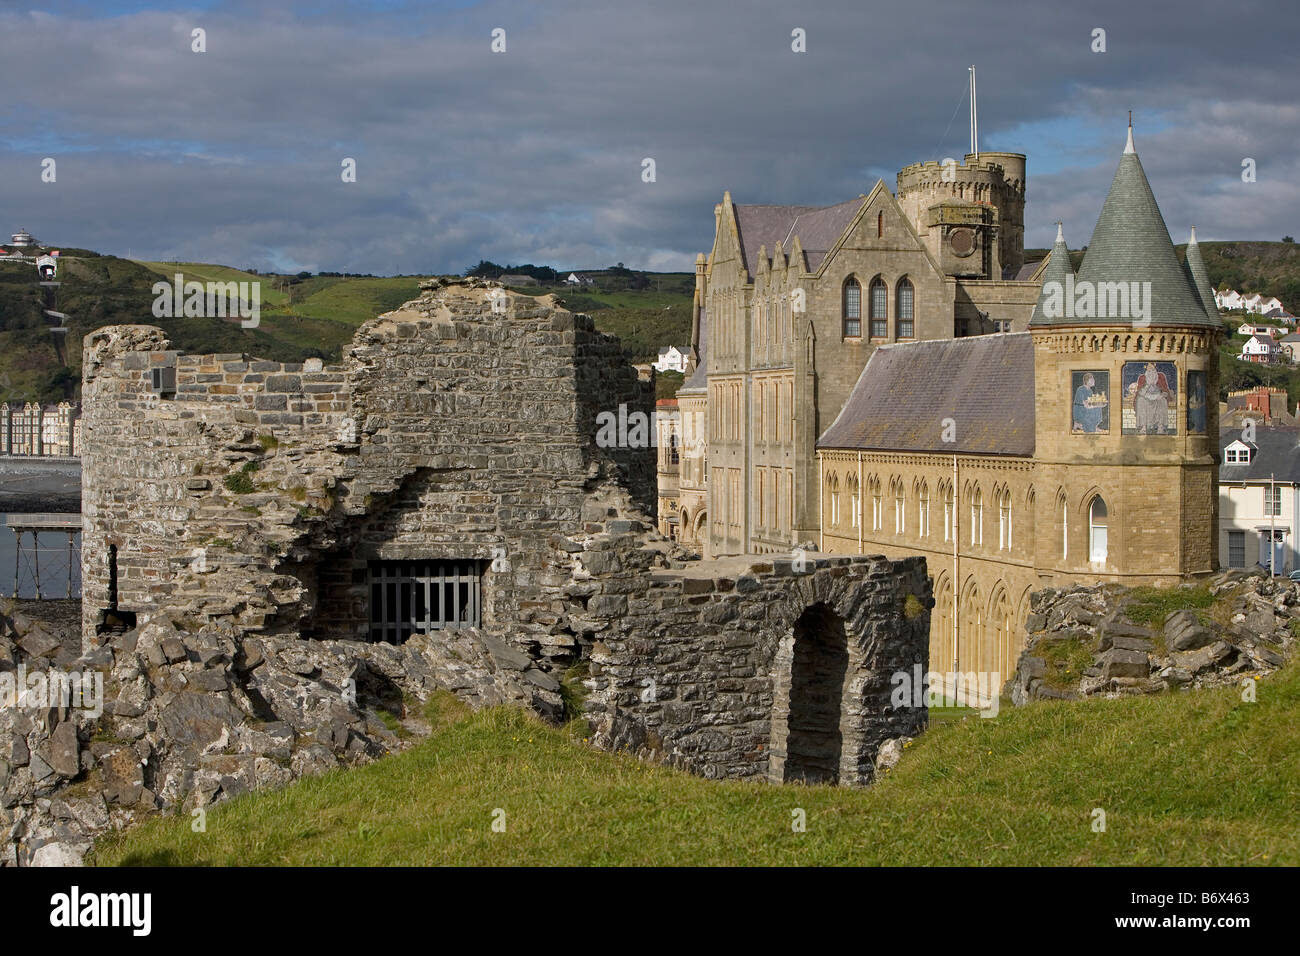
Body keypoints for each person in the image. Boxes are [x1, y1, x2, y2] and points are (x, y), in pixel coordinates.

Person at [1128, 362, 1173, 433]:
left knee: (1163, 400)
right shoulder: (1142, 377)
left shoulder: (1161, 376)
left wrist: (1162, 395)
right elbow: (1140, 391)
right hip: (1146, 396)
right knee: (1140, 400)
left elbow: (1165, 390)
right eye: (1149, 367)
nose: (1150, 368)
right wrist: (1147, 386)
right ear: (1146, 368)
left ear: (1155, 366)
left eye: (1152, 367)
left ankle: (1160, 426)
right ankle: (1143, 426)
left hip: (1158, 396)